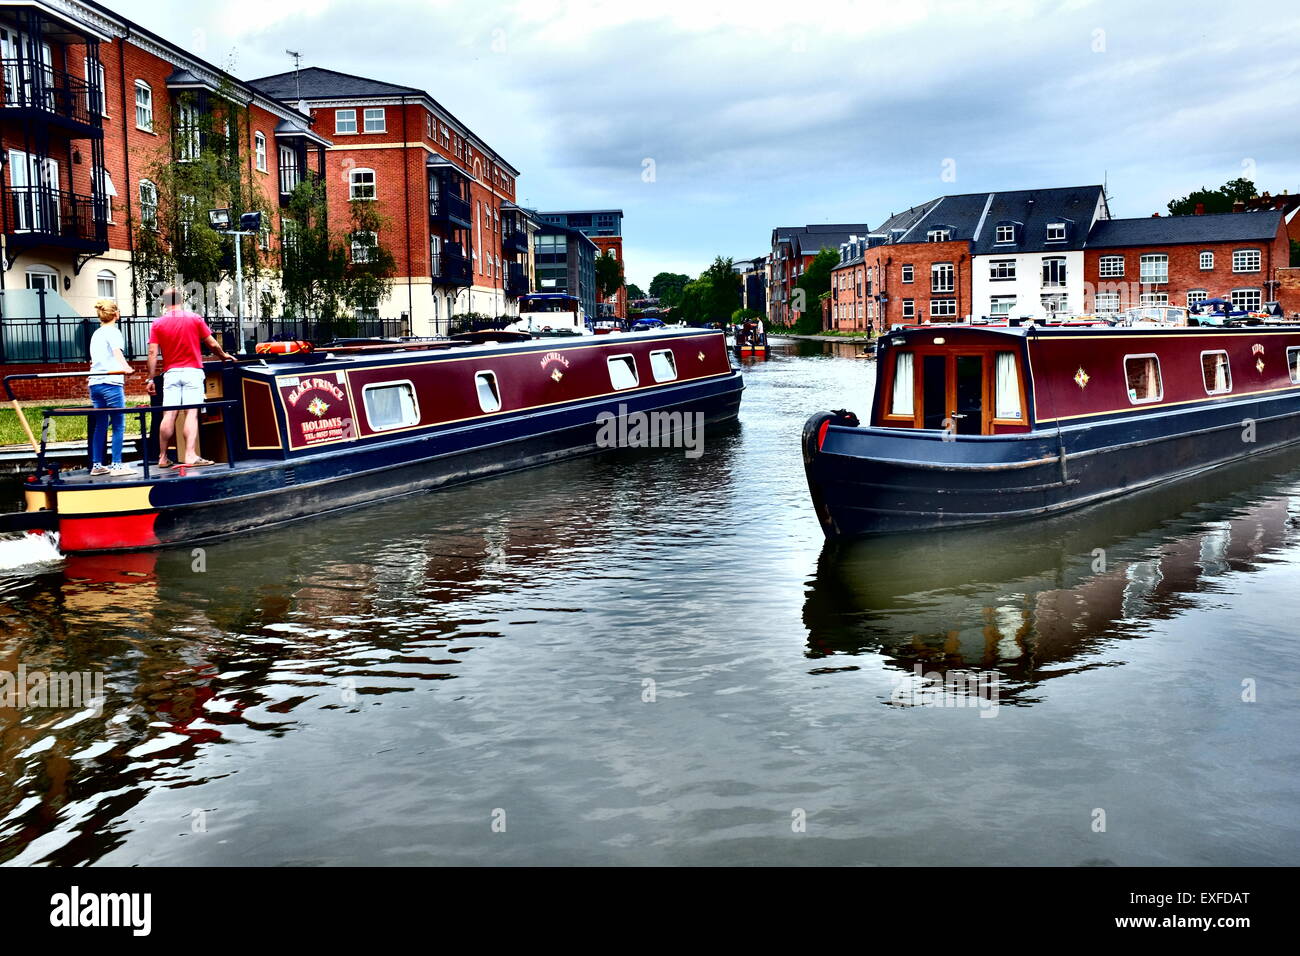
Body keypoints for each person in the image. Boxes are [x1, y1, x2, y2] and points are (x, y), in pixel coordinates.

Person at [146, 287, 234, 468]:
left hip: (171, 373)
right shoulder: (194, 319)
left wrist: (150, 378)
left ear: (163, 302)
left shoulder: (158, 324)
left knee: (169, 415)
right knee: (191, 414)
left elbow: (152, 352)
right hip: (193, 372)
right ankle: (190, 455)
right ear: (181, 299)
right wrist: (223, 356)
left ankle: (162, 457)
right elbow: (211, 343)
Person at [87, 299, 135, 477]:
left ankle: (97, 464)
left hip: (95, 383)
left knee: (100, 425)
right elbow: (117, 352)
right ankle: (116, 465)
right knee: (118, 424)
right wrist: (126, 367)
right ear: (116, 314)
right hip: (111, 383)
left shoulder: (96, 334)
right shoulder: (113, 332)